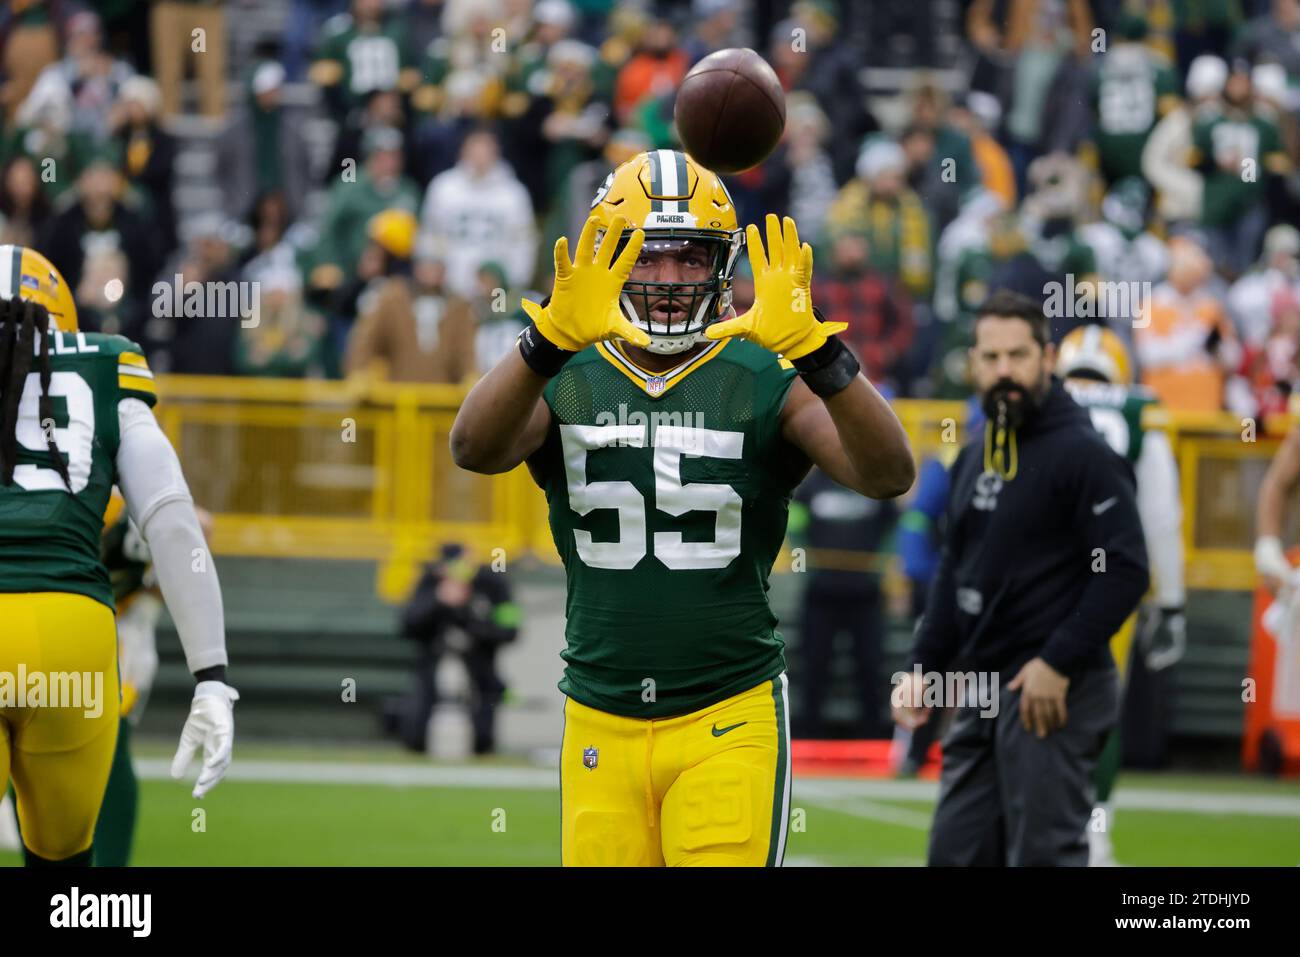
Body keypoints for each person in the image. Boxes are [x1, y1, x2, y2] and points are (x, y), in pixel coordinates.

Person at [450, 149, 915, 866]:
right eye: (648, 255)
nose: (669, 279)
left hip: (727, 712)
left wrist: (821, 354)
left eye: (691, 259)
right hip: (600, 713)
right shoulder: (568, 368)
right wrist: (543, 340)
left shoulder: (763, 371)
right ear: (609, 255)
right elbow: (473, 447)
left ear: (723, 265)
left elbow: (888, 473)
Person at [893, 289, 1149, 867]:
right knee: (954, 854)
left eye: (1018, 356)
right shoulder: (977, 447)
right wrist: (922, 670)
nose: (1003, 371)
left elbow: (1127, 569)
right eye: (990, 358)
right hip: (983, 691)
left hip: (1053, 693)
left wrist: (1057, 663)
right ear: (975, 363)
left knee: (1043, 858)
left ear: (1048, 359)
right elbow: (956, 569)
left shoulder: (1082, 451)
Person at [0, 245, 237, 865]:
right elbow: (172, 517)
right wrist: (211, 677)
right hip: (71, 635)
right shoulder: (106, 367)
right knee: (66, 871)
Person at [1056, 324, 1185, 866]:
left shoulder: (1041, 399)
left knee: (1021, 699)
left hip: (1034, 578)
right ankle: (1094, 829)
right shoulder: (1139, 413)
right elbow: (1160, 519)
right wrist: (1172, 602)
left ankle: (1024, 815)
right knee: (1100, 706)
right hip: (1109, 583)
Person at [388, 544, 520, 756]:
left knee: (483, 733)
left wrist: (470, 618)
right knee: (417, 728)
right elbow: (407, 625)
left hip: (481, 670)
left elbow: (510, 631)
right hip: (431, 667)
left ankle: (480, 748)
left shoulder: (493, 584)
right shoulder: (430, 582)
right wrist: (438, 601)